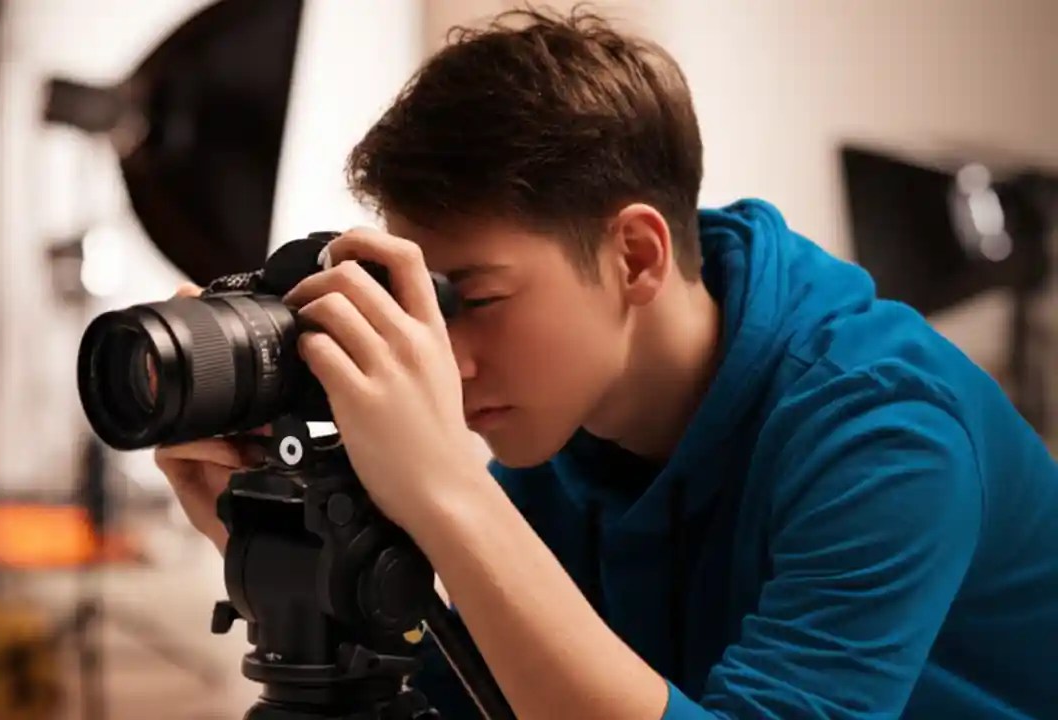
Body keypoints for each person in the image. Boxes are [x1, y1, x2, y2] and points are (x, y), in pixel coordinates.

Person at [155, 8, 1058, 719]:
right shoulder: (568, 432)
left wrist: (447, 495)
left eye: (475, 298)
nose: (445, 359)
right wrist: (296, 563)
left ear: (634, 256)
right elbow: (487, 696)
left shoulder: (885, 434)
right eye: (423, 300)